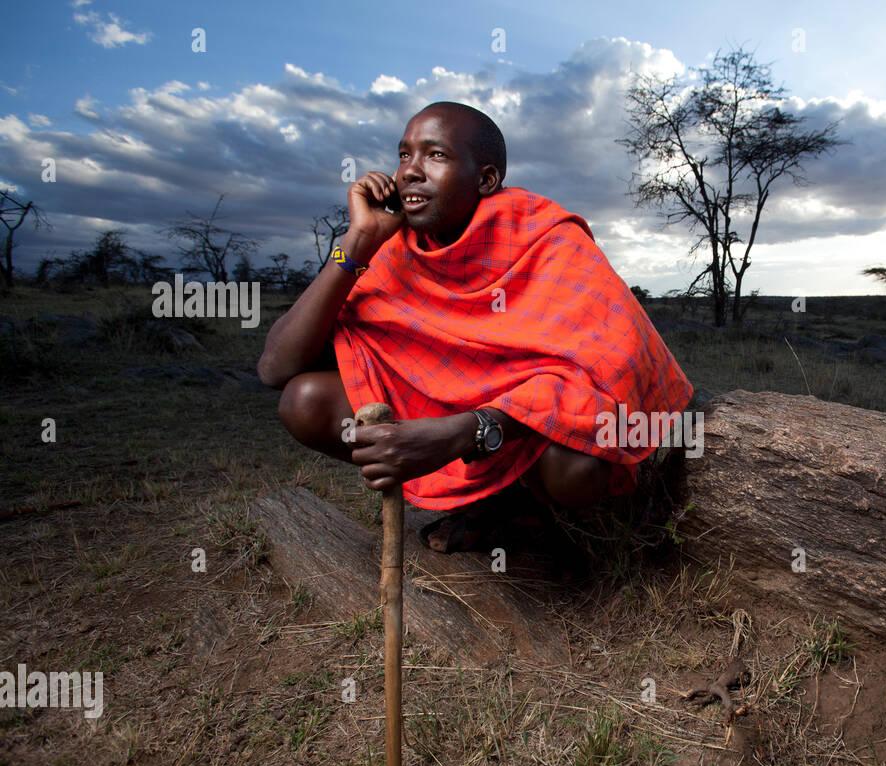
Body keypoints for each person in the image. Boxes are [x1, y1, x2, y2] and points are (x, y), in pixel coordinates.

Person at [257, 101, 693, 552]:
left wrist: (464, 431)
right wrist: (358, 240)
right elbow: (275, 367)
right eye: (404, 154)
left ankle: (522, 503)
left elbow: (606, 370)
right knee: (303, 401)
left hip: (513, 429)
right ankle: (480, 500)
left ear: (485, 179)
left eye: (436, 155)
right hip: (443, 418)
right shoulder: (392, 249)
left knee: (575, 470)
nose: (409, 171)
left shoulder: (547, 238)